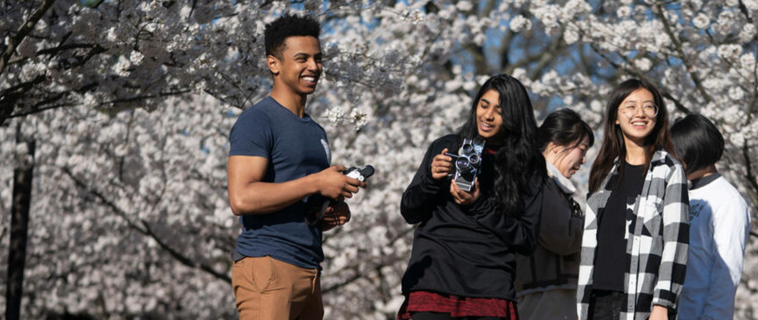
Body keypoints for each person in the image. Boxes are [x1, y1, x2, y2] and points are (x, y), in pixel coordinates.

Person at [226, 14, 366, 320]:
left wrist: (327, 211)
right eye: (302, 58)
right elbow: (242, 198)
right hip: (269, 265)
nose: (314, 67)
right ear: (274, 64)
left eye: (317, 58)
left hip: (310, 270)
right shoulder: (258, 121)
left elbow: (297, 201)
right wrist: (316, 183)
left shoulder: (316, 131)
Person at [398, 74, 546, 320]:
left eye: (499, 110)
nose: (487, 116)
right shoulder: (446, 147)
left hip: (490, 284)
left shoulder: (528, 164)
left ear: (515, 115)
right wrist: (432, 180)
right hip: (435, 275)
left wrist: (480, 205)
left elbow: (526, 239)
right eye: (483, 105)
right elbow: (409, 211)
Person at [577, 79, 690, 320]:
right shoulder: (603, 171)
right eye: (630, 106)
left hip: (640, 303)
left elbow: (675, 243)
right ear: (616, 117)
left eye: (649, 107)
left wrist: (663, 305)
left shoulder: (669, 171)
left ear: (658, 116)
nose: (640, 113)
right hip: (594, 299)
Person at [514, 108, 594, 320]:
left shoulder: (543, 183)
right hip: (545, 294)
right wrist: (596, 222)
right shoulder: (539, 182)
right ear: (556, 146)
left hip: (544, 291)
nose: (584, 160)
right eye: (582, 149)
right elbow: (561, 236)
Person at [670, 114, 750, 320]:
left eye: (677, 154)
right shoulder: (680, 194)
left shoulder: (727, 200)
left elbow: (727, 270)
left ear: (694, 152)